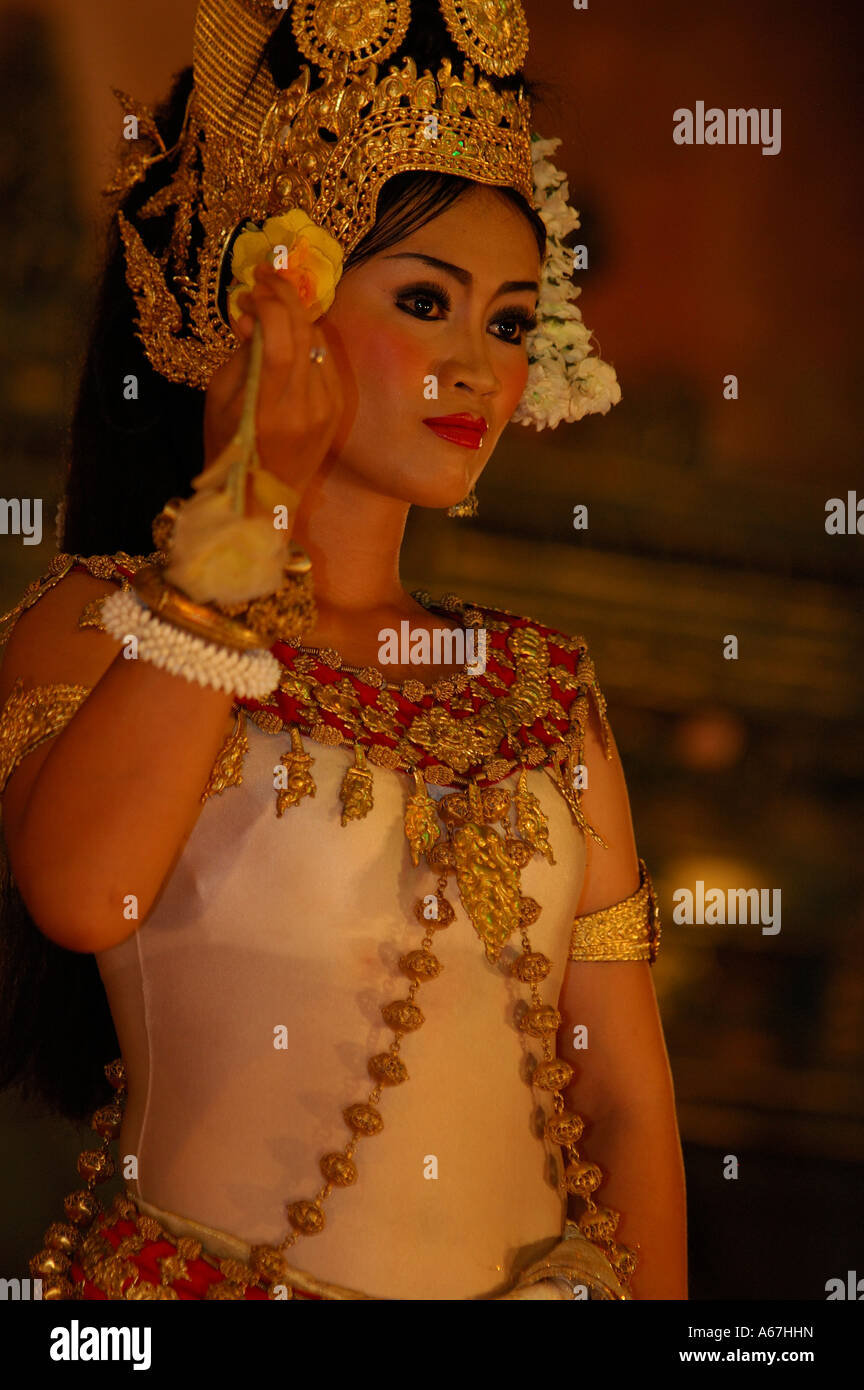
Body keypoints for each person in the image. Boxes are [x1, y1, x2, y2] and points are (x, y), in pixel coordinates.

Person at [0, 0, 686, 1301]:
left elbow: (627, 1097)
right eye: (425, 301)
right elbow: (87, 896)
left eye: (507, 319)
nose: (474, 367)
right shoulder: (105, 623)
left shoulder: (546, 687)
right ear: (279, 302)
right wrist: (246, 508)